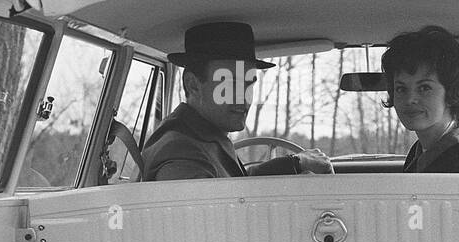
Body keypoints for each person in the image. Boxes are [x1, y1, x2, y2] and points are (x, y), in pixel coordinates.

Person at [141, 21, 333, 181]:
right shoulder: (182, 156)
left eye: (248, 84)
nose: (243, 97)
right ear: (193, 84)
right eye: (231, 84)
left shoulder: (200, 138)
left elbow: (233, 183)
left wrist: (295, 163)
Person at [380, 25, 459, 174]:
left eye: (424, 88)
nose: (410, 99)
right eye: (401, 89)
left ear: (453, 92)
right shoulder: (426, 149)